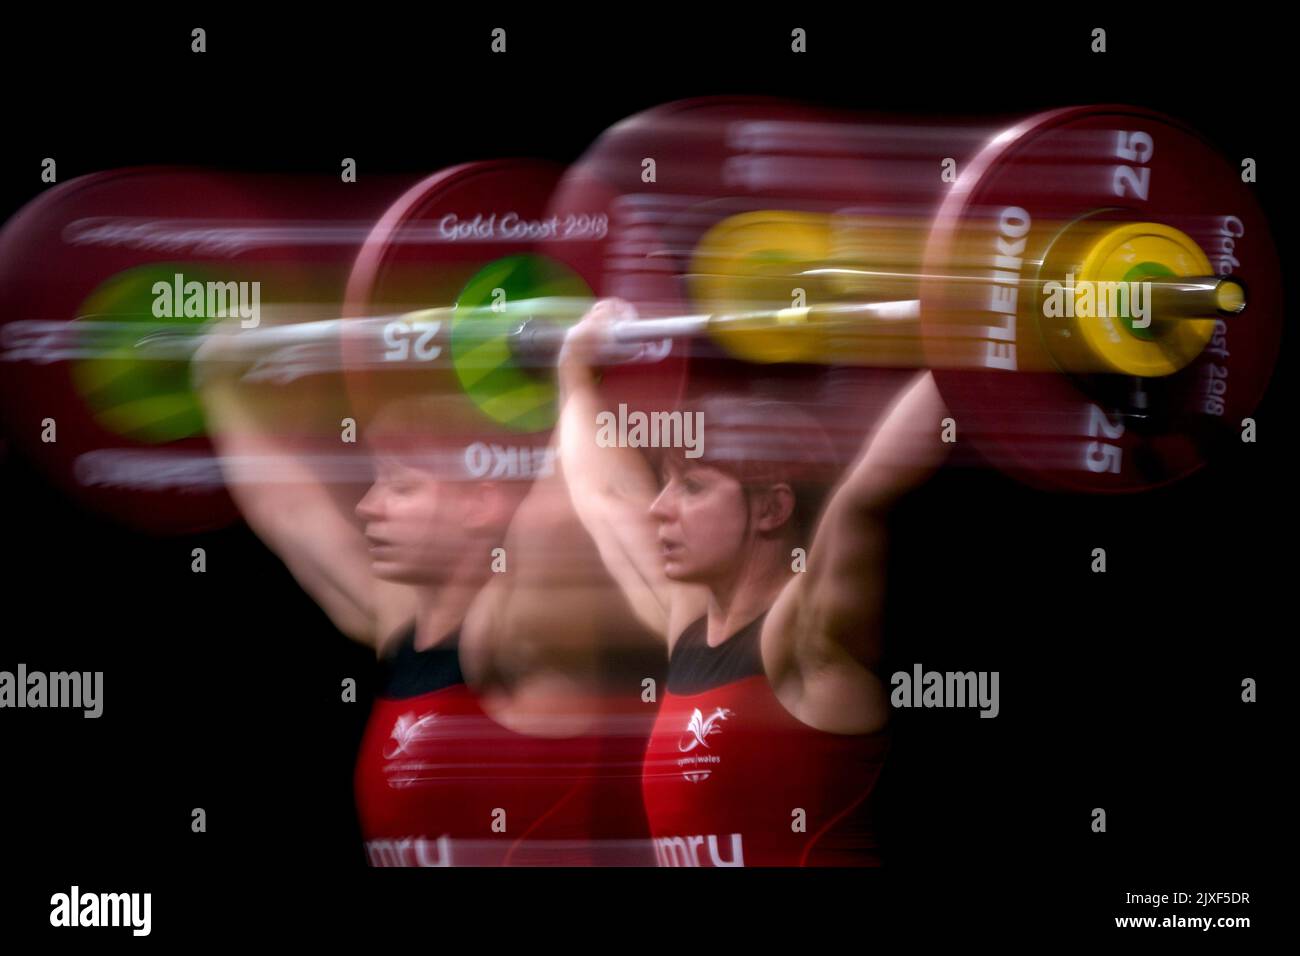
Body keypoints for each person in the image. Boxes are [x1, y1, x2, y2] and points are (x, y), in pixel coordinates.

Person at [194, 322, 659, 866]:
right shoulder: (397, 625)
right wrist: (219, 377)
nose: (368, 506)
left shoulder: (522, 632)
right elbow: (289, 511)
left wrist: (574, 376)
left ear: (479, 503)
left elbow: (576, 504)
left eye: (400, 485)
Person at [557, 298, 950, 866]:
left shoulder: (804, 642)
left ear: (771, 509)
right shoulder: (689, 628)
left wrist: (968, 338)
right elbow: (604, 497)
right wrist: (575, 372)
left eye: (691, 487)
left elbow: (866, 494)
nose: (659, 508)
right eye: (665, 484)